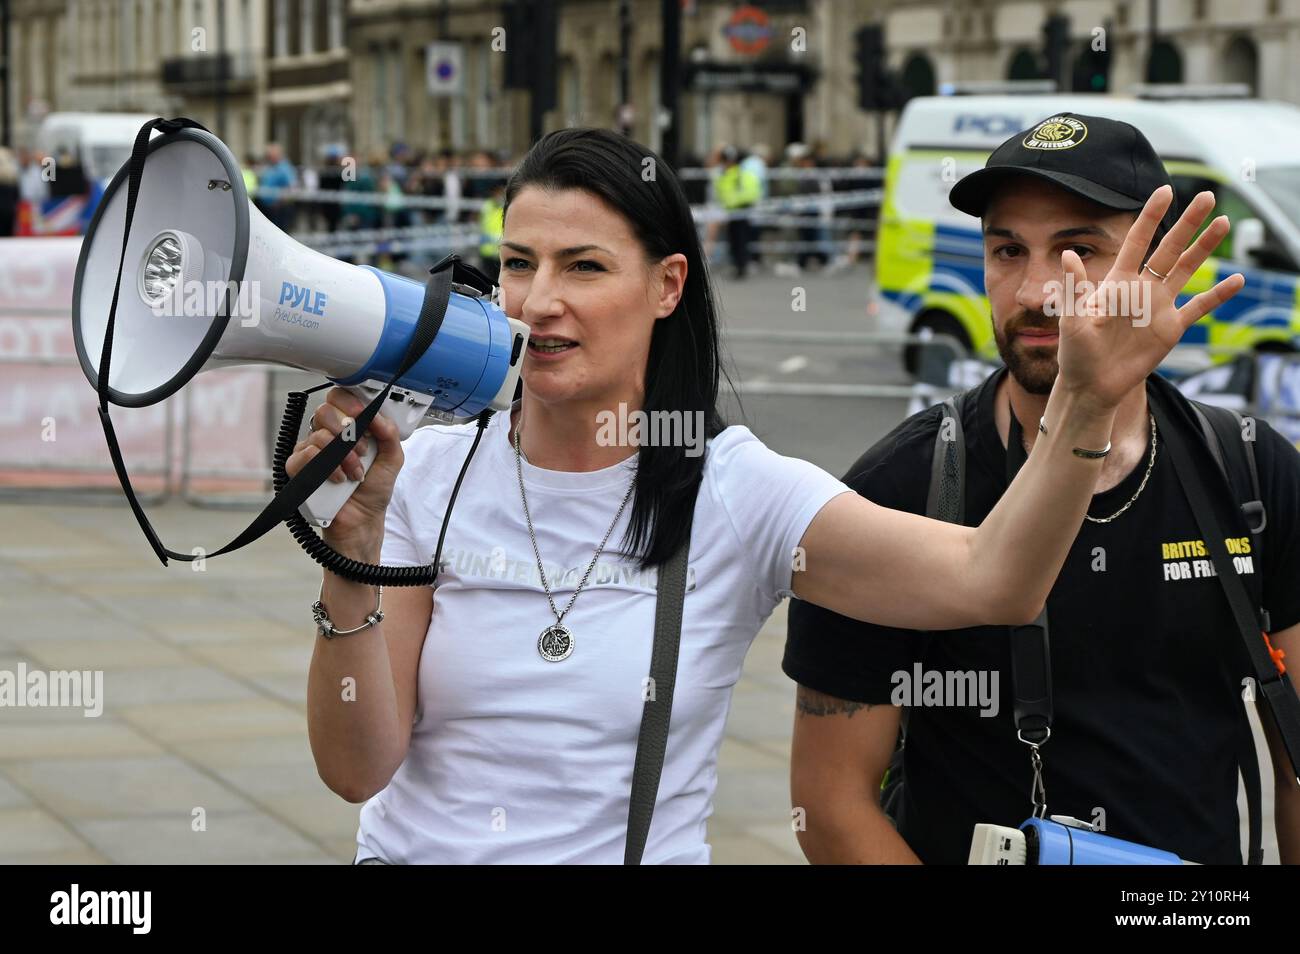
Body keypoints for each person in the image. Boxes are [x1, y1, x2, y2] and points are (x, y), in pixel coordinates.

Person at [285, 125, 1240, 865]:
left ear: (666, 287)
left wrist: (1085, 399)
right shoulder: (433, 476)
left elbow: (995, 582)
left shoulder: (732, 490)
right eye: (520, 262)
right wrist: (350, 554)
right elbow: (353, 768)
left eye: (584, 266)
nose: (539, 302)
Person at [783, 112, 1300, 866]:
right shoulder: (902, 485)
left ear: (1156, 264)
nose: (1035, 289)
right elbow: (828, 808)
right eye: (1006, 250)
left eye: (1078, 250)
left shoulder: (1251, 471)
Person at [715, 145, 761, 279]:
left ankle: (742, 266)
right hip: (731, 212)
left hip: (740, 211)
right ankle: (738, 265)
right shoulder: (728, 174)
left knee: (740, 239)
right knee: (734, 239)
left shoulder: (739, 174)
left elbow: (750, 192)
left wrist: (734, 202)